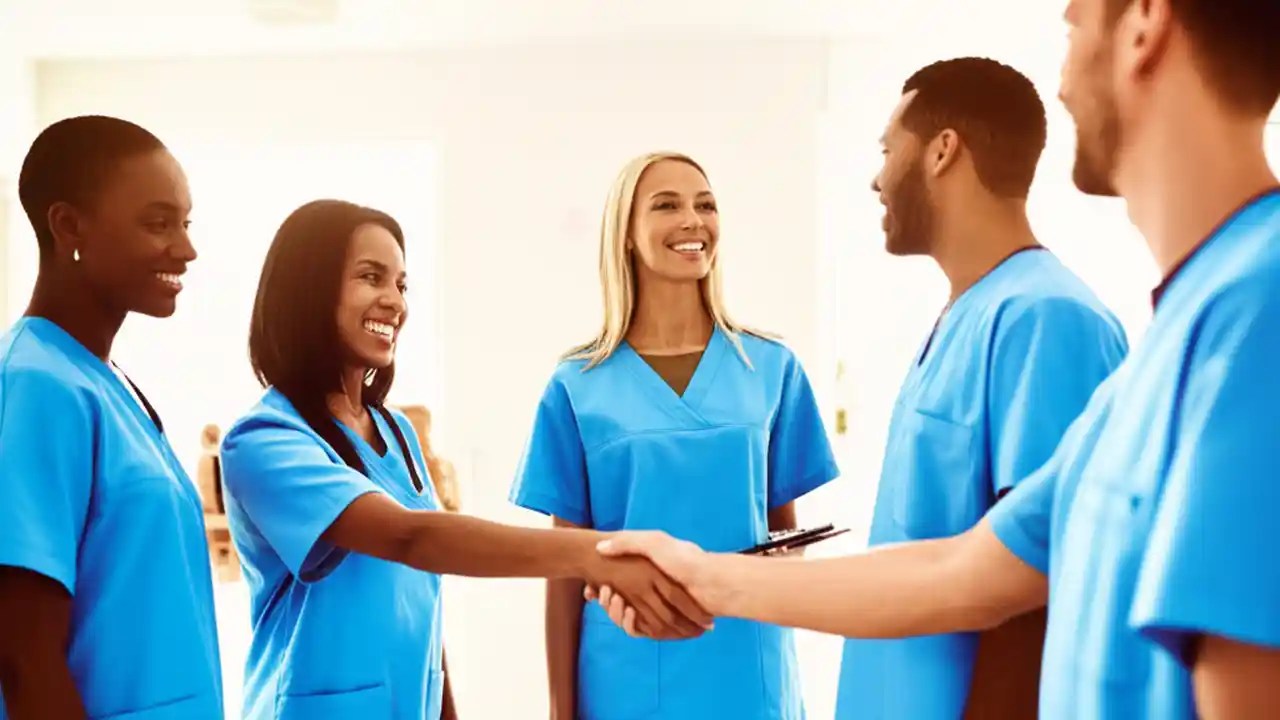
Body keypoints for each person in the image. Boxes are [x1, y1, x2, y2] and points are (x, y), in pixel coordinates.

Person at [591, 0, 1280, 718]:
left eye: (1075, 24)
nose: (1063, 84)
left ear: (1146, 22)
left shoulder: (1259, 311)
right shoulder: (1160, 357)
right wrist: (698, 576)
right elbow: (968, 573)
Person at [218, 199, 711, 720]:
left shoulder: (396, 432)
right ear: (308, 291)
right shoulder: (264, 441)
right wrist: (597, 554)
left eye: (401, 285)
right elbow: (413, 537)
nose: (394, 303)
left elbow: (420, 599)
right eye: (371, 278)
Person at [835, 57, 1128, 720]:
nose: (878, 179)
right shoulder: (970, 313)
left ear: (942, 151)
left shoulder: (1047, 320)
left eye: (888, 149)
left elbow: (1041, 587)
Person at [509, 152, 839, 720]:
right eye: (667, 206)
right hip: (624, 672)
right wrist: (561, 710)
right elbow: (566, 567)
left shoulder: (772, 368)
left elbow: (788, 538)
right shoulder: (576, 385)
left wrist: (739, 578)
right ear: (628, 235)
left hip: (747, 667)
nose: (693, 220)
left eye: (705, 205)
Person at [0, 117, 222, 719]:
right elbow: (24, 659)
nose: (186, 248)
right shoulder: (35, 386)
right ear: (69, 225)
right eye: (158, 223)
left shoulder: (105, 382)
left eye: (185, 222)